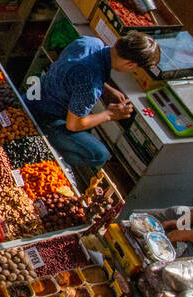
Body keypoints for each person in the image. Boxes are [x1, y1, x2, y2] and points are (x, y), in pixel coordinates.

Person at [27, 32, 159, 183]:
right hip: (42, 114)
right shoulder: (91, 84)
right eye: (134, 69)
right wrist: (109, 114)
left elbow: (78, 69)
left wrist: (105, 88)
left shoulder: (90, 42)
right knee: (99, 155)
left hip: (35, 93)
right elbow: (74, 124)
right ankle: (44, 151)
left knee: (88, 125)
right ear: (130, 64)